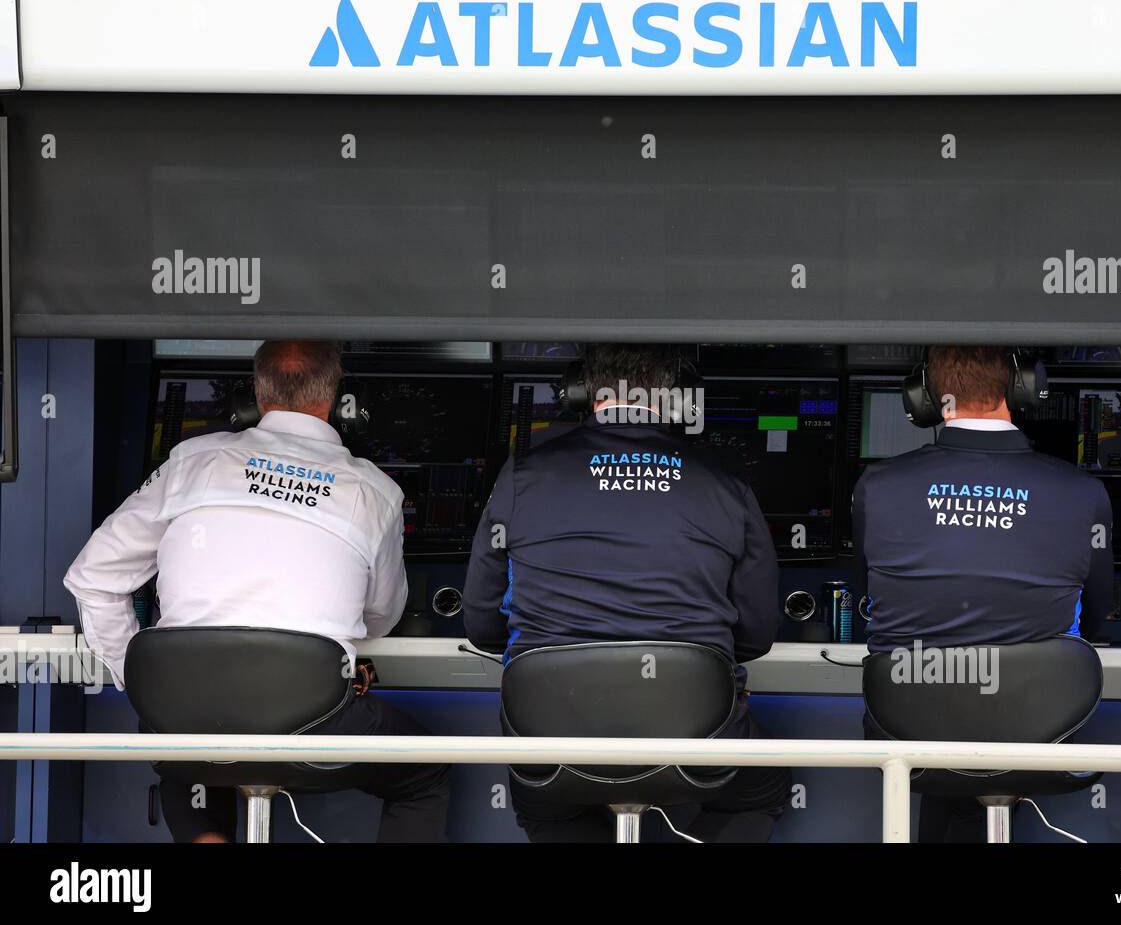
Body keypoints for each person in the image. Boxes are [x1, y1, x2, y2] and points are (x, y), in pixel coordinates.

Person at [64, 340, 450, 843]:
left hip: (184, 722)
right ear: (333, 396)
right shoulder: (374, 491)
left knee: (188, 753)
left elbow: (94, 576)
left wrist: (141, 680)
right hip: (313, 727)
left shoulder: (192, 460)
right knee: (427, 771)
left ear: (257, 393)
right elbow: (378, 619)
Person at [463, 343, 790, 842]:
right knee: (762, 786)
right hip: (694, 735)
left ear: (578, 391)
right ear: (679, 398)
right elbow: (757, 633)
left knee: (548, 800)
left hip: (549, 737)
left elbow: (482, 625)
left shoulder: (521, 476)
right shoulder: (725, 484)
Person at [852, 345, 1113, 842]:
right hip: (1038, 721)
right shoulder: (1082, 491)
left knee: (942, 746)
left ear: (925, 397)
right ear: (1021, 388)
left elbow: (871, 596)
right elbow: (1096, 619)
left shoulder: (877, 485)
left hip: (907, 717)